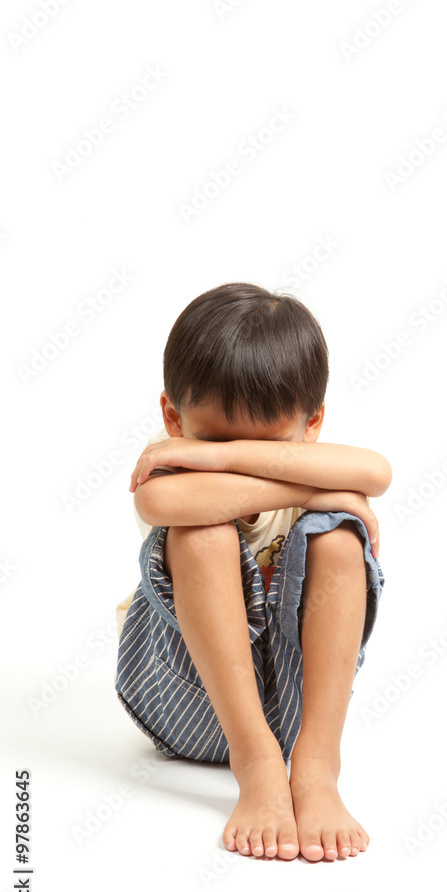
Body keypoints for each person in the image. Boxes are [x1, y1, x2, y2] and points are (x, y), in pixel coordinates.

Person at [114, 281, 391, 862]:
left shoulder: (202, 451)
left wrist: (217, 453)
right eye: (216, 441)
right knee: (201, 533)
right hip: (182, 698)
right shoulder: (169, 463)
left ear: (312, 423)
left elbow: (378, 472)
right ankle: (257, 763)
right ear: (173, 417)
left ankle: (316, 767)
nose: (231, 452)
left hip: (292, 714)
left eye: (262, 445)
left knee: (340, 538)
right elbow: (159, 507)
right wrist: (317, 483)